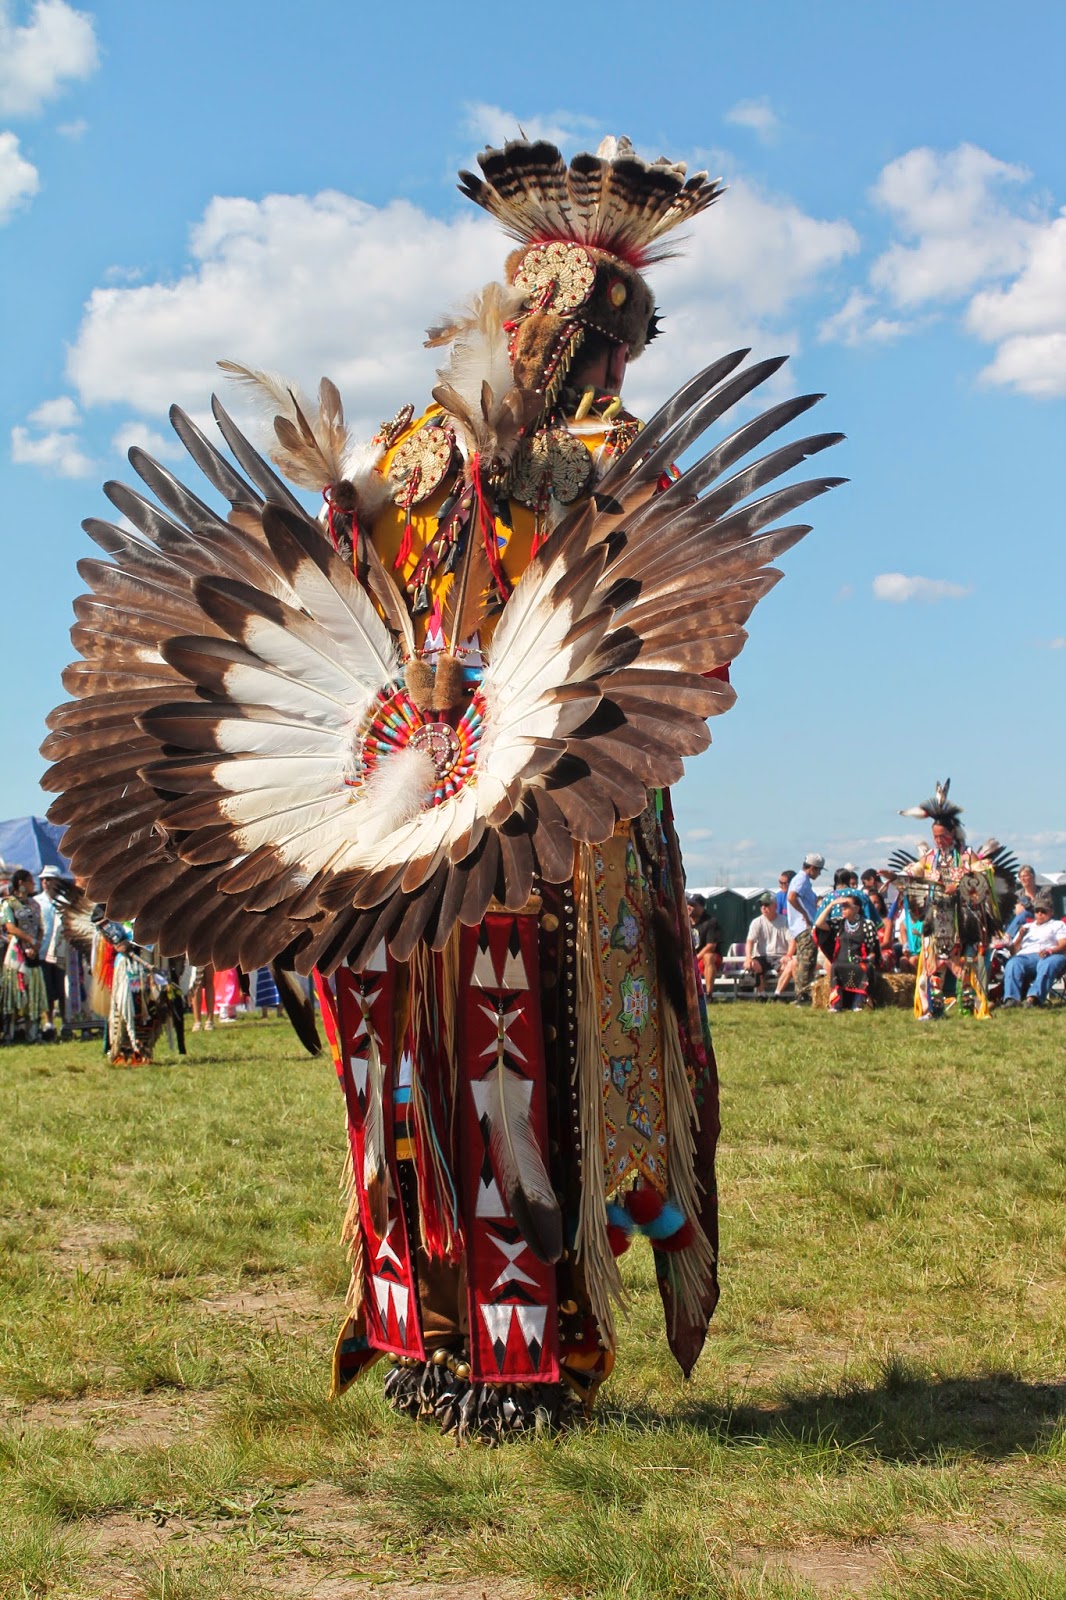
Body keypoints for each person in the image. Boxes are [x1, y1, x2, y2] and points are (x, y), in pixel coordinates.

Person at [44, 134, 842, 1438]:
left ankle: (460, 1341)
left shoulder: (451, 448)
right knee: (470, 1072)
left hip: (465, 814)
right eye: (603, 338)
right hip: (500, 827)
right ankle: (497, 1351)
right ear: (590, 335)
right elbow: (679, 630)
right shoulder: (520, 453)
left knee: (463, 1072)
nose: (589, 359)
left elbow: (360, 552)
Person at [892, 779, 1004, 1020]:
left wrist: (961, 883)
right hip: (936, 919)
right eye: (935, 837)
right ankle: (931, 1010)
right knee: (931, 967)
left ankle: (972, 1007)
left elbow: (983, 871)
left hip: (963, 921)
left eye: (942, 836)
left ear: (952, 833)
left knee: (968, 965)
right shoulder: (930, 857)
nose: (938, 841)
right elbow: (915, 869)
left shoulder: (966, 856)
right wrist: (901, 875)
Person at [814, 891, 881, 1011]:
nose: (842, 909)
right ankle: (837, 1003)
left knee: (864, 968)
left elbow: (873, 950)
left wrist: (866, 959)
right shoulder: (839, 923)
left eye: (846, 906)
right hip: (841, 961)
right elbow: (819, 924)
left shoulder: (867, 925)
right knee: (835, 966)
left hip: (861, 962)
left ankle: (858, 1002)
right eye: (842, 906)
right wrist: (831, 905)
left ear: (856, 909)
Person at [1, 870, 47, 1043]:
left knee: (34, 992)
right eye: (30, 881)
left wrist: (36, 944)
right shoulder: (9, 904)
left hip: (33, 953)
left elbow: (41, 927)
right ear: (21, 882)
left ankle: (33, 1034)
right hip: (16, 953)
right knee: (13, 993)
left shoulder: (35, 904)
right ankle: (9, 1034)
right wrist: (29, 939)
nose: (33, 885)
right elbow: (10, 927)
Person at [1000, 898, 1066, 1008]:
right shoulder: (1027, 927)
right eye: (1037, 911)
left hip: (1052, 955)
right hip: (1026, 957)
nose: (1040, 914)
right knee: (1013, 963)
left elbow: (1063, 944)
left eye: (1043, 911)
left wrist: (1050, 951)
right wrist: (1020, 936)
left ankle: (1034, 998)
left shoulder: (1057, 924)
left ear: (1051, 912)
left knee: (1047, 963)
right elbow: (1013, 952)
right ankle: (1012, 999)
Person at [786, 853, 825, 1005]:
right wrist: (805, 914)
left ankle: (805, 994)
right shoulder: (802, 879)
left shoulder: (801, 879)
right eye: (819, 870)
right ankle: (802, 995)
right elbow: (792, 897)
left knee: (807, 960)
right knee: (806, 961)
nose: (819, 873)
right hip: (804, 927)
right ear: (812, 868)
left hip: (801, 927)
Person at [35, 865, 68, 1036]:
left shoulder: (66, 901)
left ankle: (65, 1020)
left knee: (63, 989)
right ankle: (48, 1022)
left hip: (62, 952)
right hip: (42, 950)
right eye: (43, 879)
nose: (45, 883)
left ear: (57, 881)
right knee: (47, 989)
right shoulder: (37, 901)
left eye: (49, 879)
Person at [744, 892, 790, 998]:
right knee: (753, 965)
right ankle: (761, 995)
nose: (764, 908)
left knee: (788, 966)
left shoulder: (784, 921)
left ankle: (777, 994)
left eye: (766, 905)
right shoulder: (756, 922)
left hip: (780, 956)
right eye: (761, 905)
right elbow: (750, 941)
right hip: (762, 957)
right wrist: (748, 958)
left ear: (775, 906)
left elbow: (792, 942)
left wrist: (788, 955)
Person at [687, 894, 723, 997]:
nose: (689, 907)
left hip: (708, 959)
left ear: (701, 907)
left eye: (693, 905)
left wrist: (695, 959)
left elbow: (711, 946)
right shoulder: (684, 922)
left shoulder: (710, 922)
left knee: (709, 956)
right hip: (691, 958)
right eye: (688, 904)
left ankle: (708, 994)